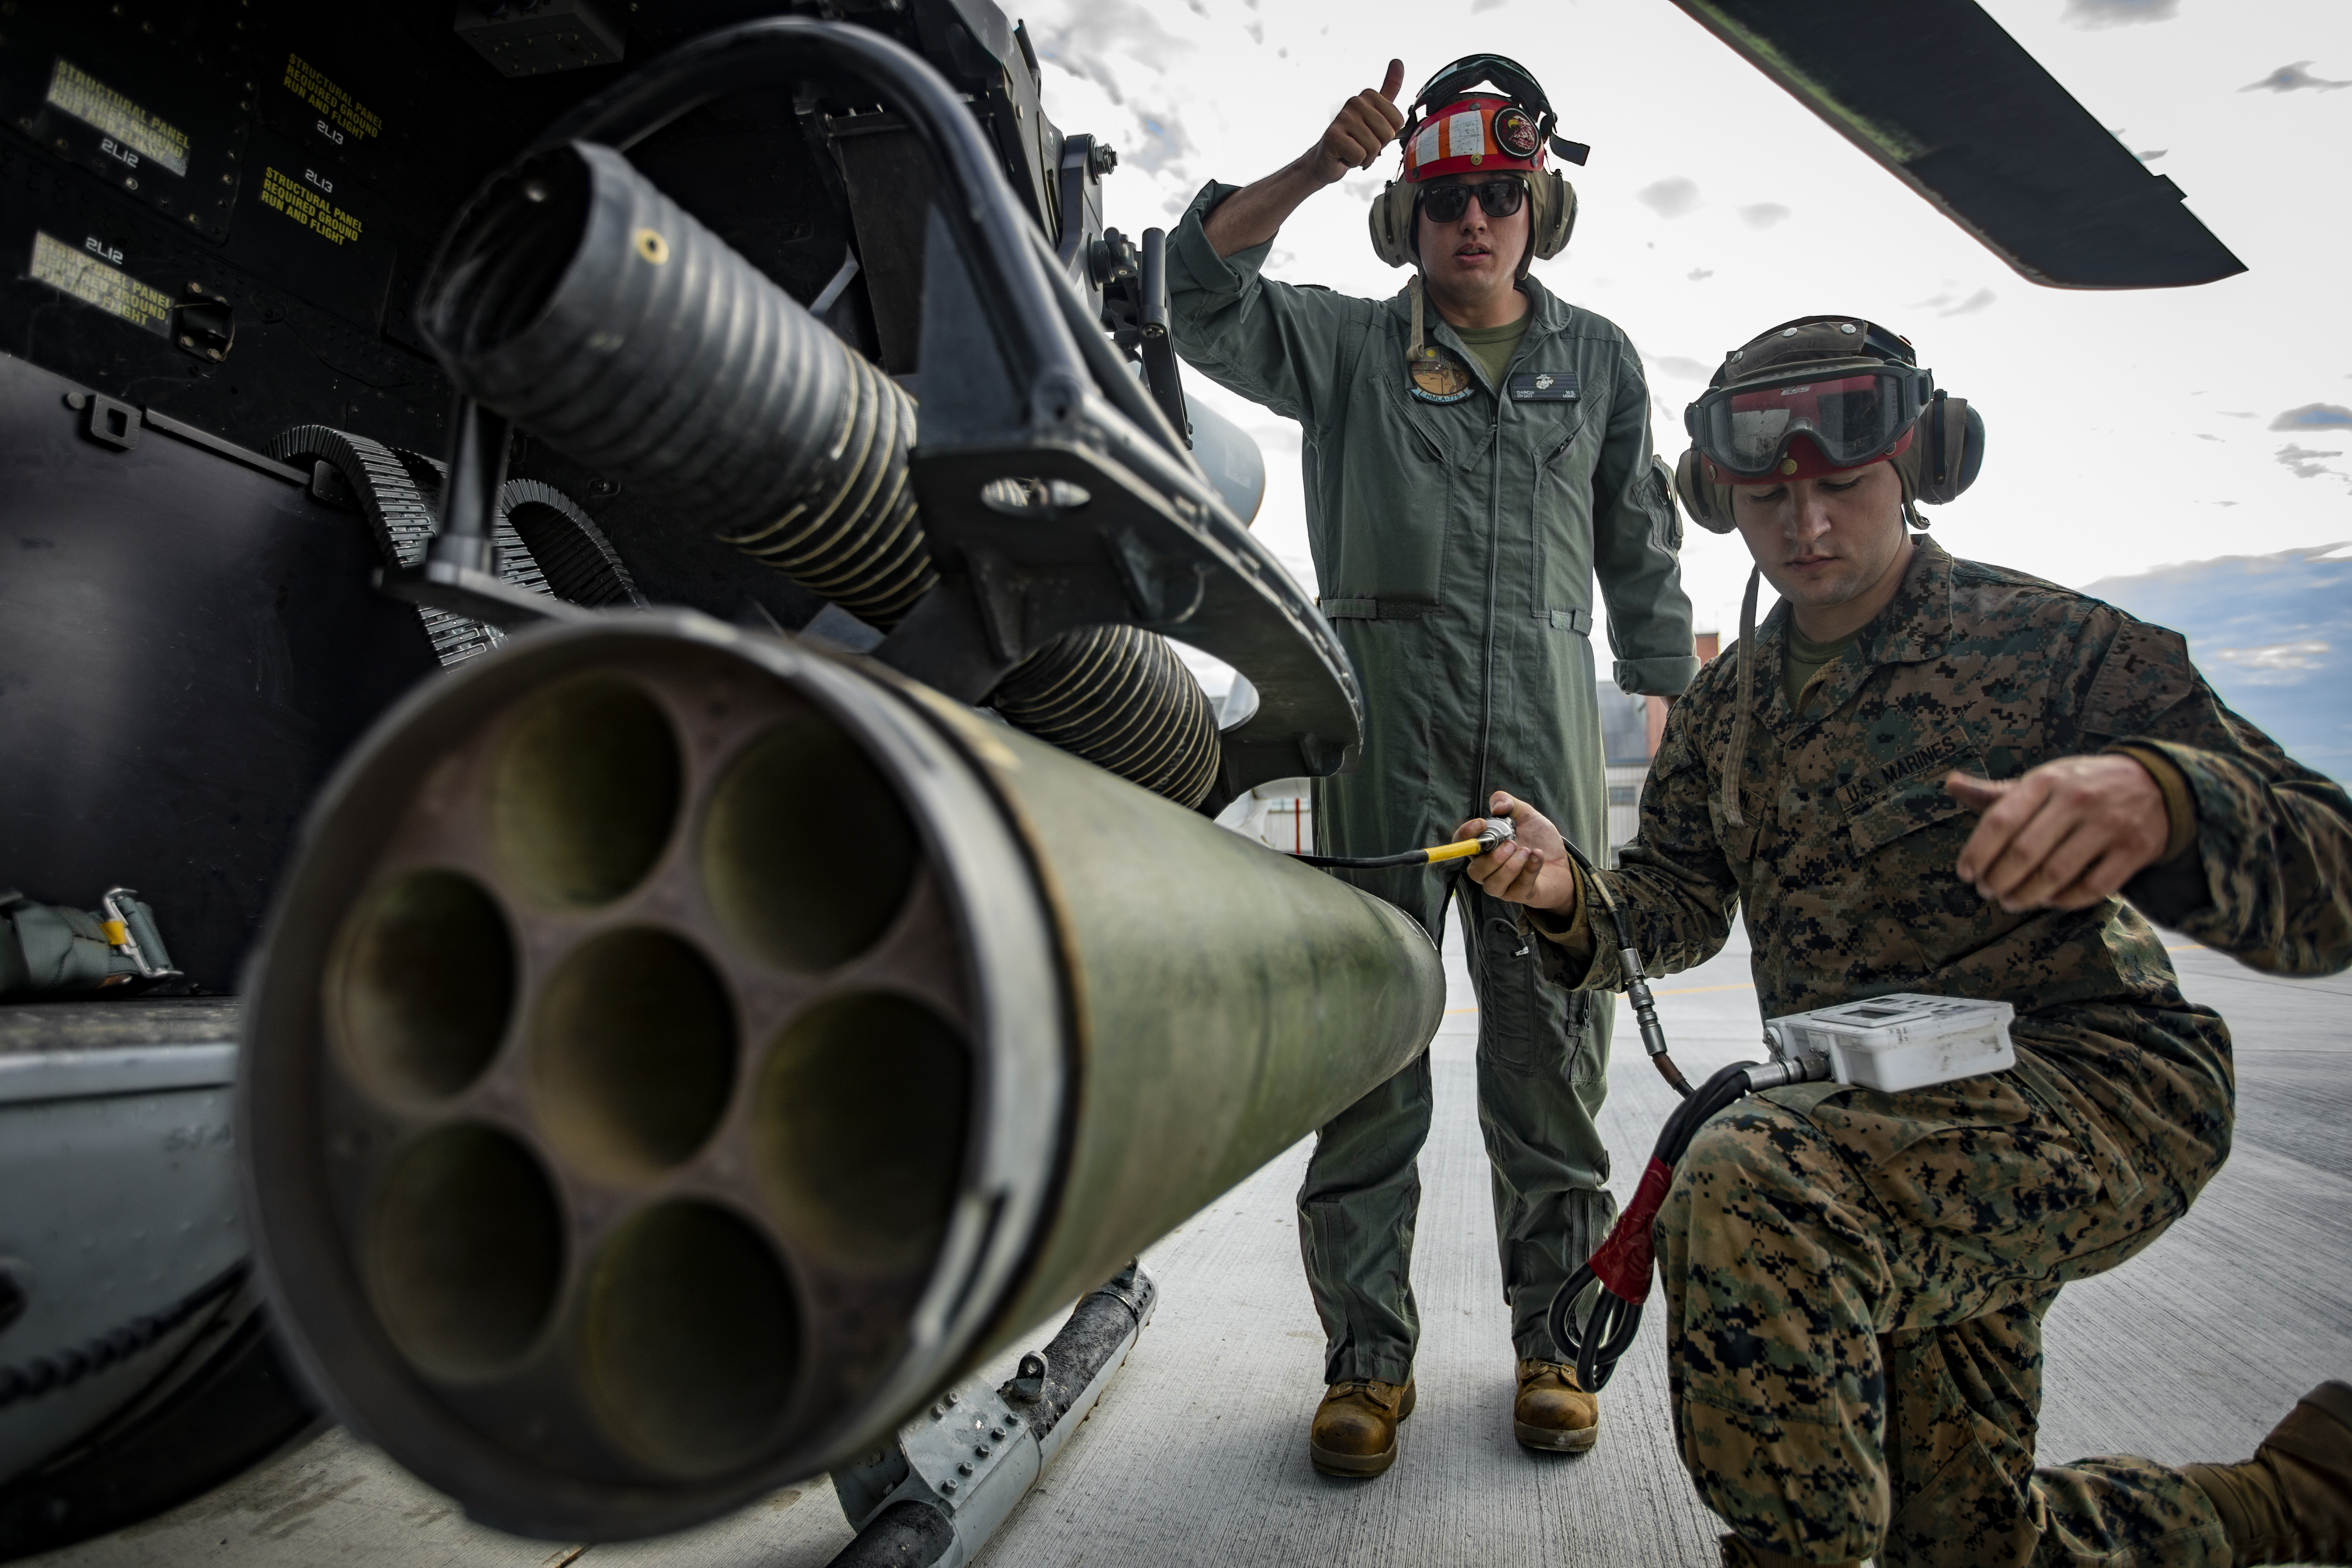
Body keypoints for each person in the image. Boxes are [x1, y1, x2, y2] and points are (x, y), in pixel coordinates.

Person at [1458, 313, 2352, 1566]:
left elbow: (2331, 873)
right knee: (1969, 1545)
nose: (1806, 523)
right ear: (1723, 498)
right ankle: (2291, 1503)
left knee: (1747, 1179)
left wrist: (2168, 797)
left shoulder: (2052, 648)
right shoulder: (1730, 711)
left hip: (2094, 1089)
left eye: (1842, 486)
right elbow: (1671, 904)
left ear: (1919, 468)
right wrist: (1564, 894)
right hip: (1872, 1129)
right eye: (1771, 493)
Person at [1163, 55, 1699, 1475]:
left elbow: (1645, 551)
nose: (1476, 221)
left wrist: (1673, 707)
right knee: (1367, 1062)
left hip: (1543, 757)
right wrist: (1311, 167)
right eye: (1448, 195)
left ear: (1542, 207)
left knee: (1551, 1074)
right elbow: (1196, 298)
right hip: (1381, 746)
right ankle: (1366, 1363)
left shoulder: (1601, 365)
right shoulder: (1344, 347)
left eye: (1501, 197)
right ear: (1409, 212)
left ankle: (1553, 1346)